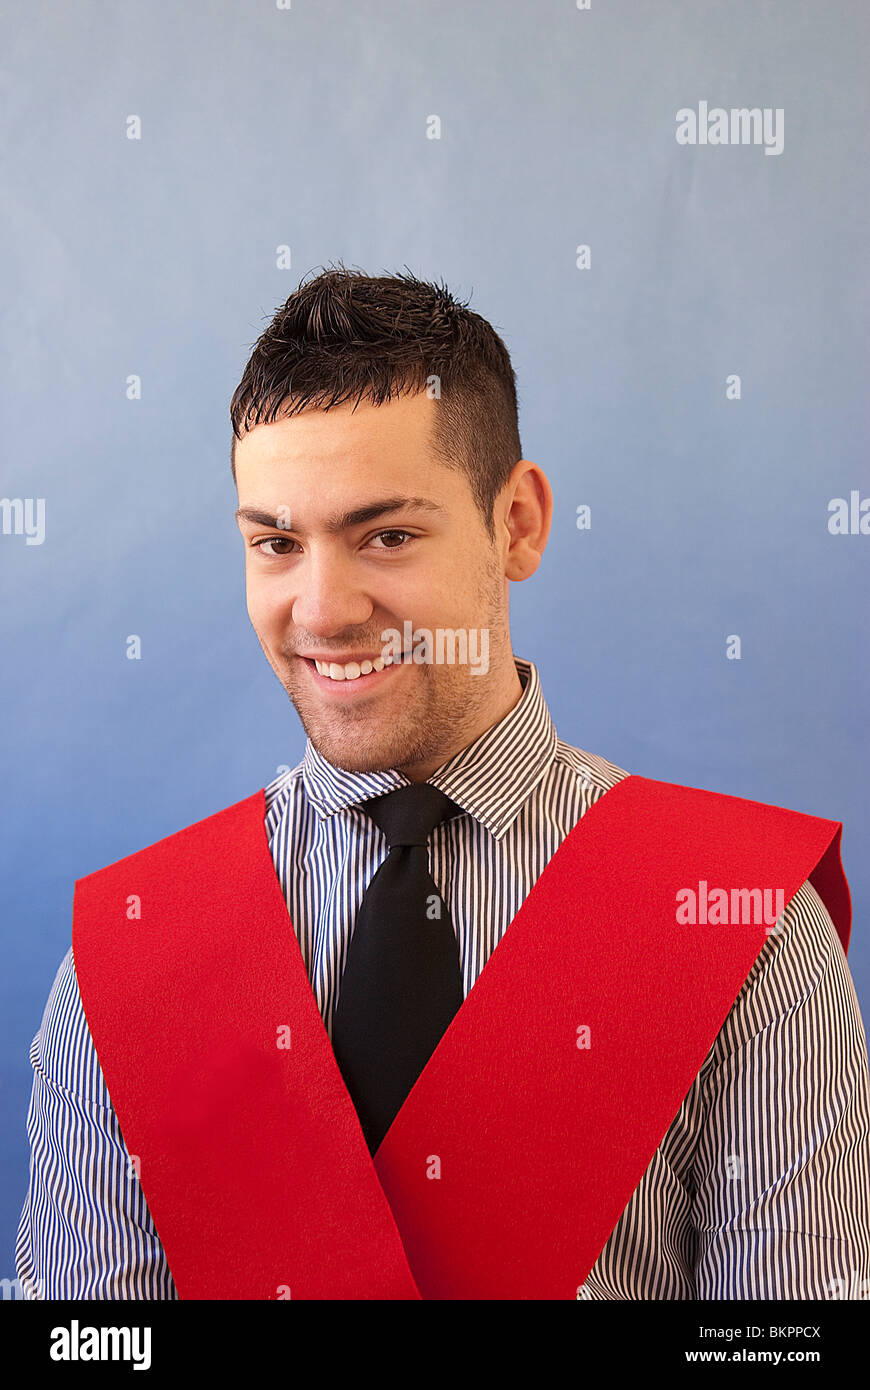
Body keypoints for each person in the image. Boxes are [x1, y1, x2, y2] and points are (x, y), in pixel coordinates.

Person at [15, 267, 870, 1300]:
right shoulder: (132, 955)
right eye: (276, 544)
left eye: (386, 535)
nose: (323, 610)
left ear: (517, 523)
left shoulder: (743, 925)